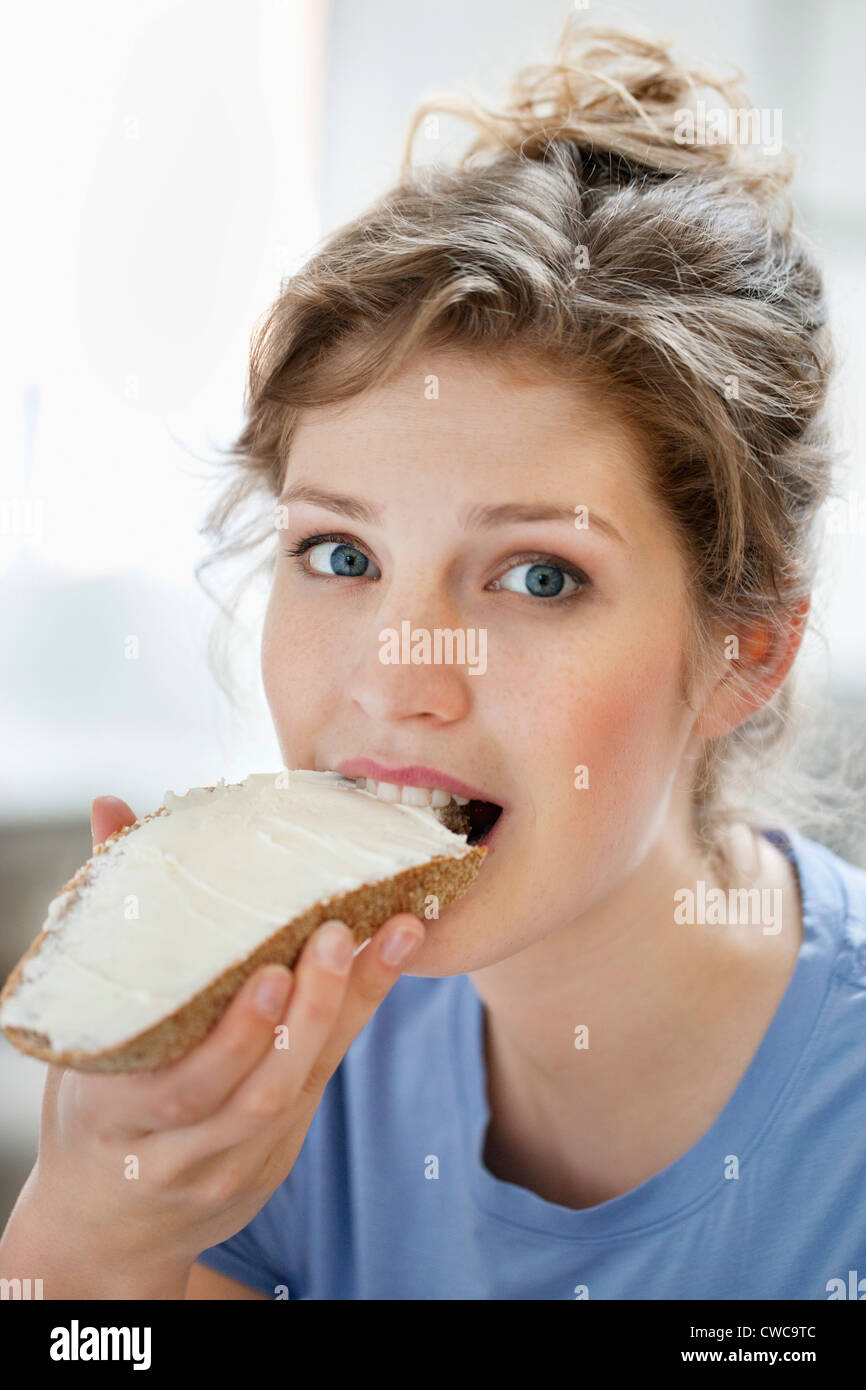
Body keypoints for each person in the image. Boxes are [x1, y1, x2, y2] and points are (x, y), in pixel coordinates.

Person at [2, 15, 864, 1300]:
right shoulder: (277, 1053)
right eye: (340, 556)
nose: (399, 675)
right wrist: (86, 1241)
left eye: (536, 576)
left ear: (742, 651)